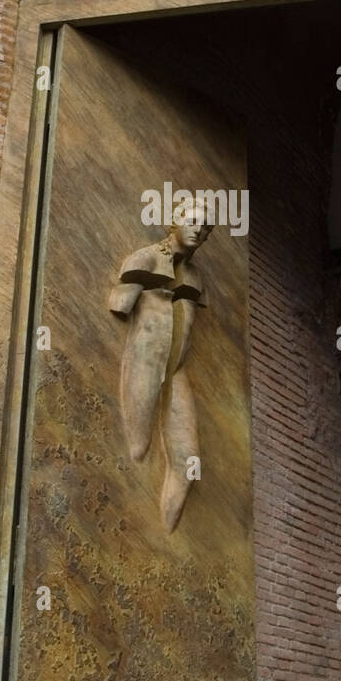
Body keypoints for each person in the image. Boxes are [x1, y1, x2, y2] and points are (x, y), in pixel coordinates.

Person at [109, 200, 212, 532]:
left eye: (205, 226)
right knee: (137, 449)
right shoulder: (145, 259)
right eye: (192, 220)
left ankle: (163, 534)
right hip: (143, 361)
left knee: (188, 461)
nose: (199, 229)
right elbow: (119, 310)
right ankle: (123, 529)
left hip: (176, 371)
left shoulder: (196, 278)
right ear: (175, 221)